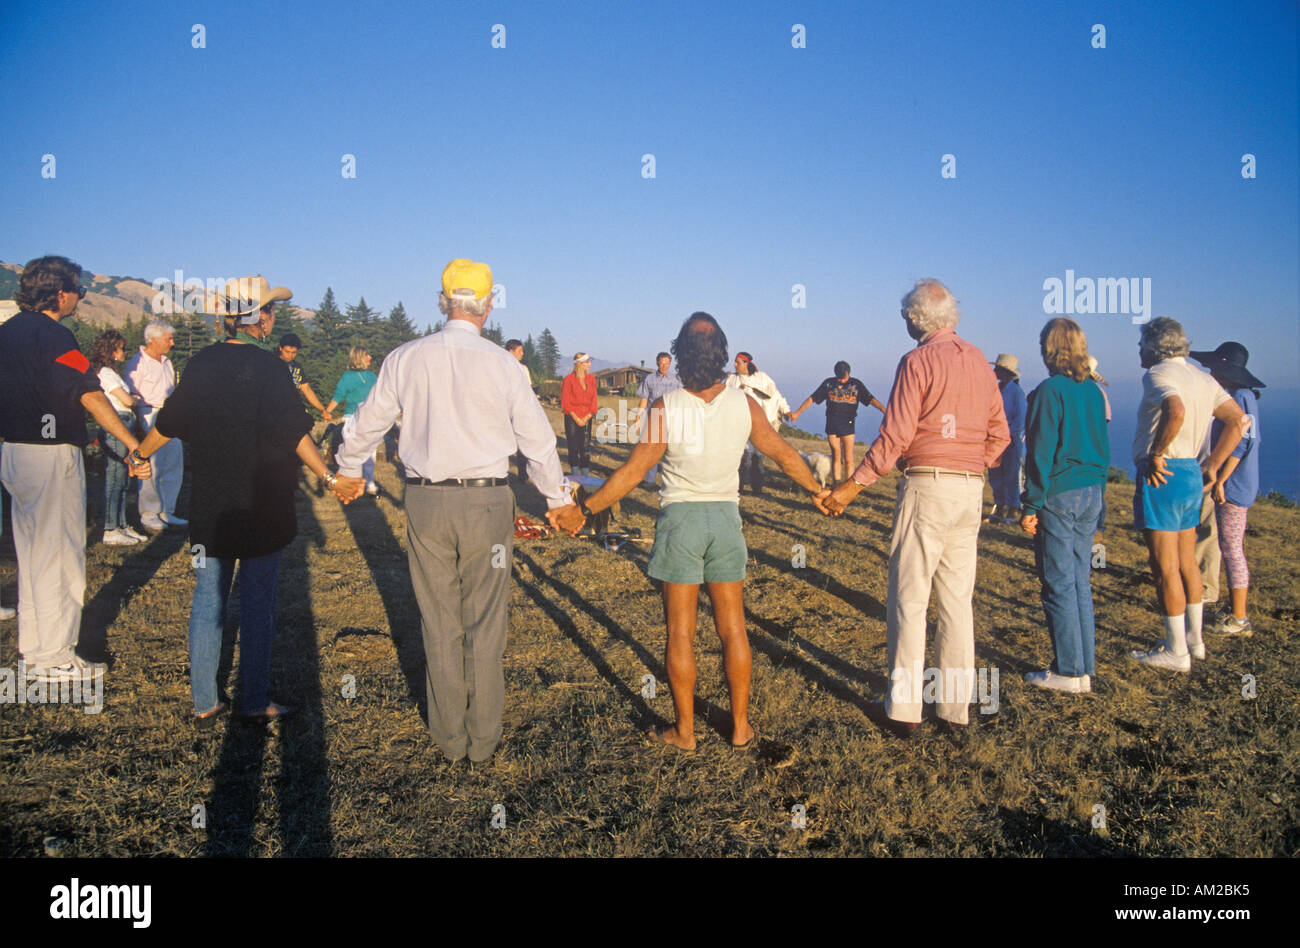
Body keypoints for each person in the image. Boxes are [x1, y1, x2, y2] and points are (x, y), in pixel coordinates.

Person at [549, 313, 829, 750]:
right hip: (725, 520)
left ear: (679, 355)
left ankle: (685, 732)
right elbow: (785, 455)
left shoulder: (666, 408)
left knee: (679, 632)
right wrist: (819, 491)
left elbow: (632, 472)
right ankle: (739, 727)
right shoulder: (745, 405)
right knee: (733, 629)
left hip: (680, 520)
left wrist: (583, 509)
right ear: (721, 354)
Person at [336, 258, 571, 763]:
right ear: (487, 307)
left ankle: (448, 739)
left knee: (438, 618)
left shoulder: (405, 357)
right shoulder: (504, 364)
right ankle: (483, 740)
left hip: (425, 499)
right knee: (485, 619)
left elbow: (368, 421)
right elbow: (538, 441)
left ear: (444, 302)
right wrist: (559, 500)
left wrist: (350, 469)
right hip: (487, 501)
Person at [133, 274, 361, 726]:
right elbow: (294, 432)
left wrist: (139, 453)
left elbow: (172, 418)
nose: (273, 317)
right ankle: (255, 698)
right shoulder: (272, 368)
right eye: (270, 311)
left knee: (207, 598)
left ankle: (205, 701)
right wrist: (329, 477)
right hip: (263, 500)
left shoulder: (199, 363)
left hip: (212, 504)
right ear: (256, 317)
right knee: (257, 602)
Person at [824, 279, 1009, 736]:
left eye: (906, 316)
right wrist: (969, 463)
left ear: (915, 318)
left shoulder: (918, 360)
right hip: (970, 490)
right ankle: (954, 709)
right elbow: (1000, 436)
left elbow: (895, 436)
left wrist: (851, 487)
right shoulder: (982, 365)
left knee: (910, 598)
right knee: (956, 602)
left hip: (928, 486)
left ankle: (904, 709)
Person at [0, 256, 151, 683]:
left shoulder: (5, 333)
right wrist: (133, 443)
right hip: (50, 455)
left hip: (14, 453)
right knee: (61, 557)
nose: (80, 299)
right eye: (79, 291)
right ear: (60, 292)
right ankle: (53, 659)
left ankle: (36, 650)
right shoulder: (55, 336)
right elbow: (89, 393)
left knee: (32, 556)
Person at [1129, 318, 1245, 672]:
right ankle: (1195, 641)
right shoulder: (1202, 377)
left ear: (1154, 347)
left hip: (1163, 476)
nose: (1138, 351)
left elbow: (1174, 410)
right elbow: (1238, 421)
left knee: (1164, 567)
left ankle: (1175, 650)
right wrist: (1213, 464)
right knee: (1187, 561)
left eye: (1141, 344)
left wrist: (1156, 453)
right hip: (1193, 472)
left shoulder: (1158, 374)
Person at [1018, 319, 1109, 693]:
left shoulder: (1048, 391)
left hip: (1060, 492)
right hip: (1092, 490)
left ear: (1048, 349)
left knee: (1057, 583)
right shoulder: (1093, 391)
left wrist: (1031, 503)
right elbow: (1102, 446)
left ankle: (1069, 671)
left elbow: (1040, 451)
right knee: (1078, 581)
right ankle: (1083, 665)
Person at [1191, 342, 1263, 637]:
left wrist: (1220, 479)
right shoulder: (1245, 396)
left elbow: (1243, 441)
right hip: (1239, 484)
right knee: (1229, 547)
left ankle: (1239, 618)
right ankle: (1235, 611)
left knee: (1232, 550)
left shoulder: (1240, 398)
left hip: (1234, 486)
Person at [125, 319, 186, 531]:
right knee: (150, 465)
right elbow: (131, 396)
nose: (172, 343)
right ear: (154, 339)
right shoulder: (137, 363)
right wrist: (139, 426)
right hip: (148, 414)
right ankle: (149, 513)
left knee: (172, 464)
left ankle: (167, 511)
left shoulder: (167, 363)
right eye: (169, 339)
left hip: (170, 415)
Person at [88, 330, 147, 545]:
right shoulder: (104, 373)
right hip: (118, 423)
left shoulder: (112, 373)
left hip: (125, 422)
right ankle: (110, 527)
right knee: (115, 477)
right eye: (121, 348)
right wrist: (136, 398)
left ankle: (121, 524)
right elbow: (127, 400)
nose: (123, 352)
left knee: (122, 477)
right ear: (112, 351)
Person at [790, 361, 885, 484]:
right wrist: (798, 412)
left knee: (848, 457)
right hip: (832, 422)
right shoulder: (829, 383)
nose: (841, 381)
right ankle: (837, 483)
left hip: (848, 423)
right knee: (836, 455)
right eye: (838, 378)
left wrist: (884, 410)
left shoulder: (856, 384)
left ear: (848, 373)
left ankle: (848, 485)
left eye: (843, 378)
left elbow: (870, 399)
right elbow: (812, 398)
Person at [726, 352, 791, 493]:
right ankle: (738, 487)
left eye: (738, 362)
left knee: (757, 456)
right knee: (741, 457)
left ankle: (757, 487)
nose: (735, 365)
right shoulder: (731, 379)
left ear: (746, 363)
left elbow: (776, 396)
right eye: (735, 362)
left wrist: (786, 410)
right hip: (738, 425)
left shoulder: (762, 378)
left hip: (759, 424)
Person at [325, 346, 379, 495]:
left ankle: (370, 485)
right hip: (351, 420)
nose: (370, 358)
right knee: (350, 453)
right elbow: (338, 395)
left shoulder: (372, 376)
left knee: (370, 453)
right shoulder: (347, 377)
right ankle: (347, 486)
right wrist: (327, 411)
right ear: (360, 357)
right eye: (368, 355)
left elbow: (380, 395)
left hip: (369, 420)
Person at [986, 354, 1027, 524]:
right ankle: (1000, 504)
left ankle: (1013, 507)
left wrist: (1005, 432)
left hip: (1010, 439)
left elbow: (1020, 419)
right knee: (995, 472)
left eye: (998, 369)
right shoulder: (995, 390)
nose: (994, 371)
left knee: (1011, 473)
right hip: (995, 437)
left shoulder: (1016, 392)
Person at [634, 351, 681, 487]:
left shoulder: (676, 380)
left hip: (670, 420)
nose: (664, 366)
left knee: (671, 451)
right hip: (652, 418)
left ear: (670, 364)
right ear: (657, 363)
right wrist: (638, 417)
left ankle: (670, 483)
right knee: (651, 450)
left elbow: (680, 400)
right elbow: (644, 399)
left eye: (667, 364)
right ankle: (650, 480)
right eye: (662, 363)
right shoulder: (649, 379)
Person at [277, 332, 331, 420]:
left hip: (293, 411)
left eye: (294, 352)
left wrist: (323, 409)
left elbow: (306, 389)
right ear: (280, 348)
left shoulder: (297, 367)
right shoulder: (272, 364)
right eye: (287, 352)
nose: (290, 355)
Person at [561, 352, 598, 477]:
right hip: (572, 417)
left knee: (585, 446)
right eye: (587, 362)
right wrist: (577, 419)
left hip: (586, 417)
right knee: (573, 446)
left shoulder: (591, 379)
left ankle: (585, 474)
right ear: (580, 364)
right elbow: (565, 402)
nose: (590, 364)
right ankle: (575, 473)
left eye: (589, 361)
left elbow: (594, 400)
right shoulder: (568, 380)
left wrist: (587, 416)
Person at [1088, 356, 1112, 533]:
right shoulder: (1099, 393)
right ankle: (1098, 527)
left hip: (1091, 445)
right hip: (1097, 446)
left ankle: (1098, 526)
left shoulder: (1094, 393)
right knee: (1097, 485)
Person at [505, 338, 533, 481]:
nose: (523, 353)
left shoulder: (523, 369)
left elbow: (528, 391)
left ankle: (523, 475)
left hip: (520, 410)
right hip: (503, 411)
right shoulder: (500, 367)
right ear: (511, 351)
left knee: (522, 443)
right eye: (520, 351)